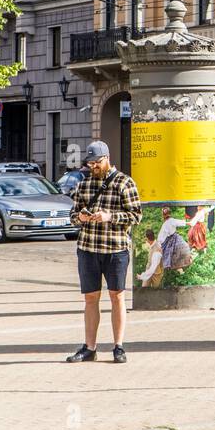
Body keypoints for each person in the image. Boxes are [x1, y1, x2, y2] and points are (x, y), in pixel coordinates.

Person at [65, 140, 142, 364]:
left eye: (96, 163)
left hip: (116, 249)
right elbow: (72, 216)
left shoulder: (125, 183)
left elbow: (136, 215)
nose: (93, 167)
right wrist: (80, 217)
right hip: (87, 248)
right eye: (89, 164)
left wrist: (110, 216)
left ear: (107, 158)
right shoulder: (84, 185)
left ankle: (118, 346)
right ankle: (90, 347)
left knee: (117, 296)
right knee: (90, 298)